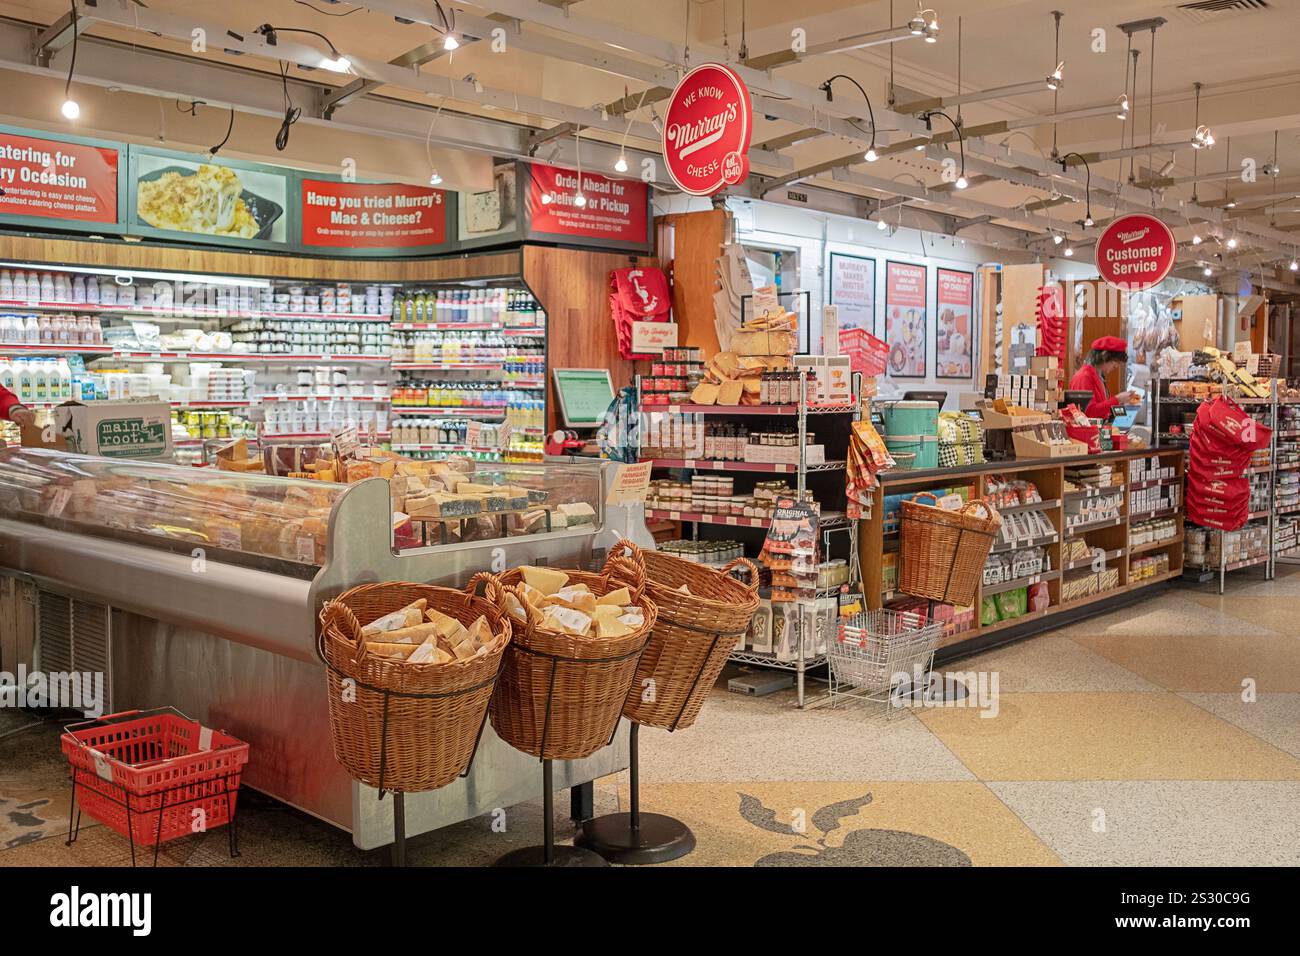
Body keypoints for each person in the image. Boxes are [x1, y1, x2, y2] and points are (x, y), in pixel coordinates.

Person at [1069, 335, 1139, 420]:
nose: (1115, 367)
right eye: (1114, 363)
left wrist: (1126, 408)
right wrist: (1117, 399)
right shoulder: (1084, 377)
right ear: (1104, 356)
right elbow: (1089, 412)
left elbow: (1106, 411)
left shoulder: (1099, 377)